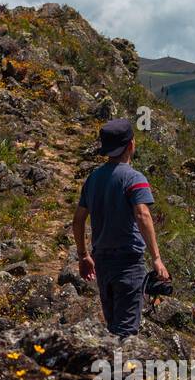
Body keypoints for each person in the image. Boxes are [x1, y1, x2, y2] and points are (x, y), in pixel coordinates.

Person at [73, 117, 170, 339]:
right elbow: (142, 214)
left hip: (101, 263)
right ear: (131, 145)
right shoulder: (134, 178)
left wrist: (83, 255)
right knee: (125, 332)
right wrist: (156, 257)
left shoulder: (93, 179)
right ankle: (118, 371)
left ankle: (107, 368)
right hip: (128, 263)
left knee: (113, 325)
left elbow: (78, 220)